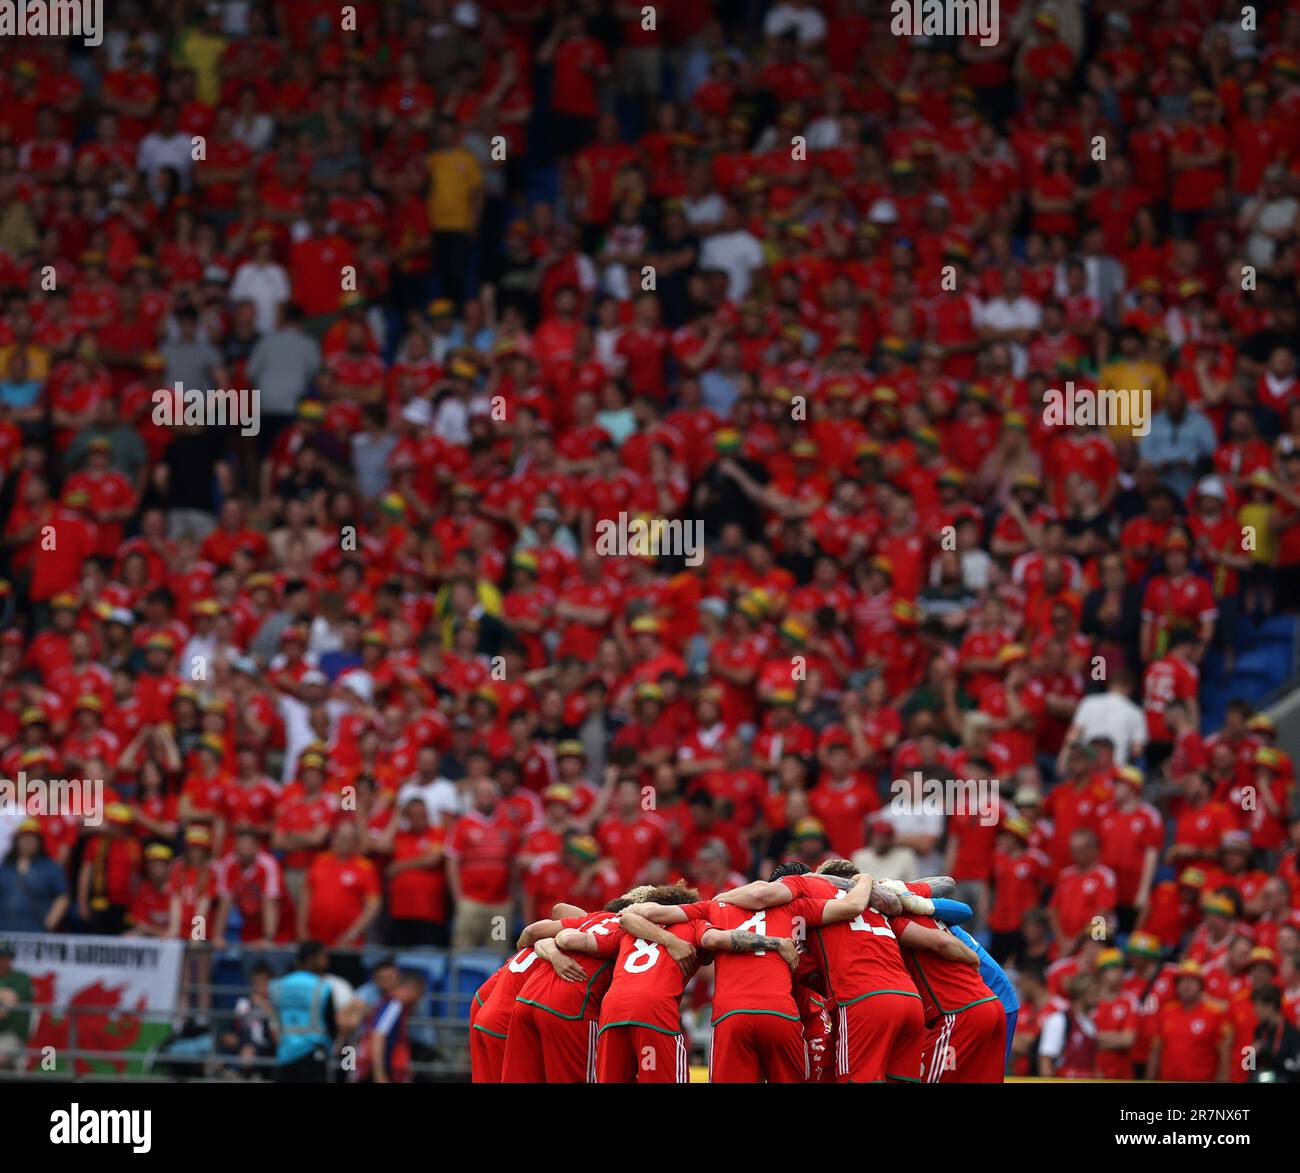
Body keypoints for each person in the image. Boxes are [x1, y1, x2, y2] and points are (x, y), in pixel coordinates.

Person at [269, 940, 337, 1083]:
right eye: (323, 957)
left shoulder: (278, 985)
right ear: (312, 959)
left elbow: (273, 1019)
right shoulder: (322, 987)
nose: (327, 961)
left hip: (285, 1051)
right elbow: (331, 1022)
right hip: (313, 1051)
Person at [0, 819, 69, 934]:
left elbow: (62, 897)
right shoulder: (5, 867)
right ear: (16, 841)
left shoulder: (50, 868)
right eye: (24, 838)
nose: (28, 841)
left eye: (32, 838)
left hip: (35, 930)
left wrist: (50, 923)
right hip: (4, 931)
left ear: (39, 842)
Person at [0, 940, 33, 1071]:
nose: (2, 962)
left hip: (10, 1035)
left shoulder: (20, 978)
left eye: (4, 958)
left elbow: (6, 1008)